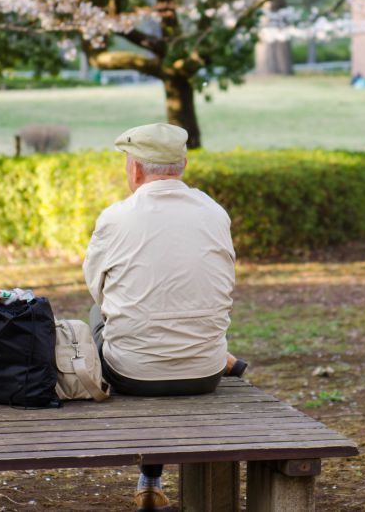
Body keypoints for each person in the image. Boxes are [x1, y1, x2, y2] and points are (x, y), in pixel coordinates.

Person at [84, 123, 238, 512]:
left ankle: (150, 478)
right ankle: (226, 360)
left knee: (96, 314)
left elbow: (98, 292)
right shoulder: (215, 213)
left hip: (131, 374)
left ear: (135, 171)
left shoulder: (116, 217)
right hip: (204, 371)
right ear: (183, 164)